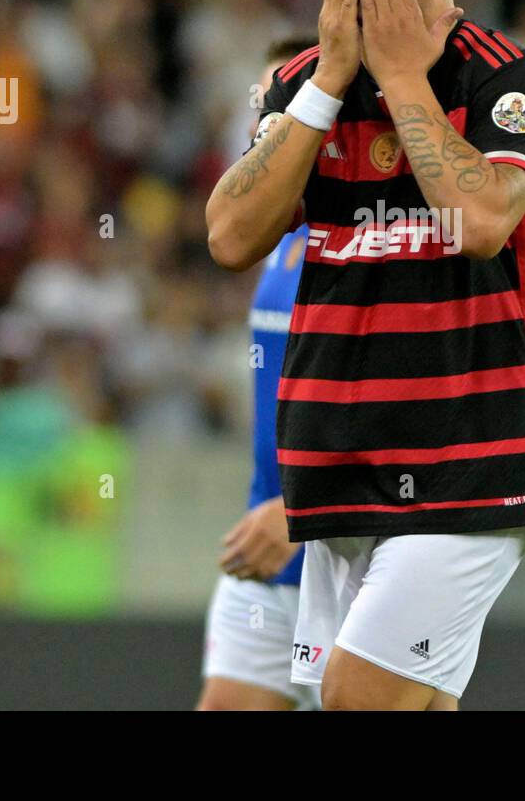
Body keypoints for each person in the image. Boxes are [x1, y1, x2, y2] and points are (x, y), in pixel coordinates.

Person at [206, 0, 525, 710]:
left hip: (470, 458)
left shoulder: (509, 77)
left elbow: (480, 220)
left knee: (355, 696)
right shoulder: (304, 85)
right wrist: (332, 76)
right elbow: (230, 236)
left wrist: (402, 77)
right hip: (339, 463)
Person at [198, 38, 318, 711]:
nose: (263, 124)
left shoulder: (373, 235)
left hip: (351, 549)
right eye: (261, 106)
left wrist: (301, 513)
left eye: (283, 106)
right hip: (265, 545)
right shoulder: (275, 234)